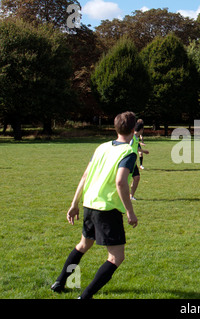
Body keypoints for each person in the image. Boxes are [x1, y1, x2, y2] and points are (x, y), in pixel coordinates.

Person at [51, 111, 139, 299]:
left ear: (115, 128)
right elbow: (121, 182)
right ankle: (85, 296)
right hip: (107, 209)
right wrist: (130, 212)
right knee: (116, 257)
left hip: (89, 204)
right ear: (133, 130)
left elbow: (85, 176)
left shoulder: (102, 147)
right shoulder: (128, 152)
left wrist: (74, 203)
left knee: (83, 245)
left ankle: (59, 282)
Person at [130, 119, 150, 201]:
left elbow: (136, 148)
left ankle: (131, 196)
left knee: (137, 178)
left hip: (133, 162)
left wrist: (143, 151)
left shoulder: (136, 138)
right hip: (128, 161)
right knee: (122, 180)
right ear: (141, 129)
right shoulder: (131, 138)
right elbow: (126, 147)